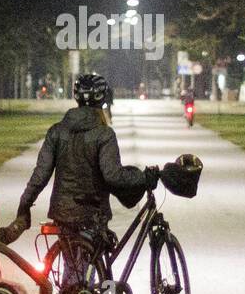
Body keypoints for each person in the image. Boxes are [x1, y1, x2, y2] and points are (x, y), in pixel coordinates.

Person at [12, 73, 157, 235]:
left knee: (71, 257)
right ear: (103, 99)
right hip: (93, 213)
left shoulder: (56, 131)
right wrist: (143, 177)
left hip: (62, 213)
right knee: (99, 249)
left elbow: (40, 174)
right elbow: (113, 176)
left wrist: (25, 204)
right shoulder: (104, 134)